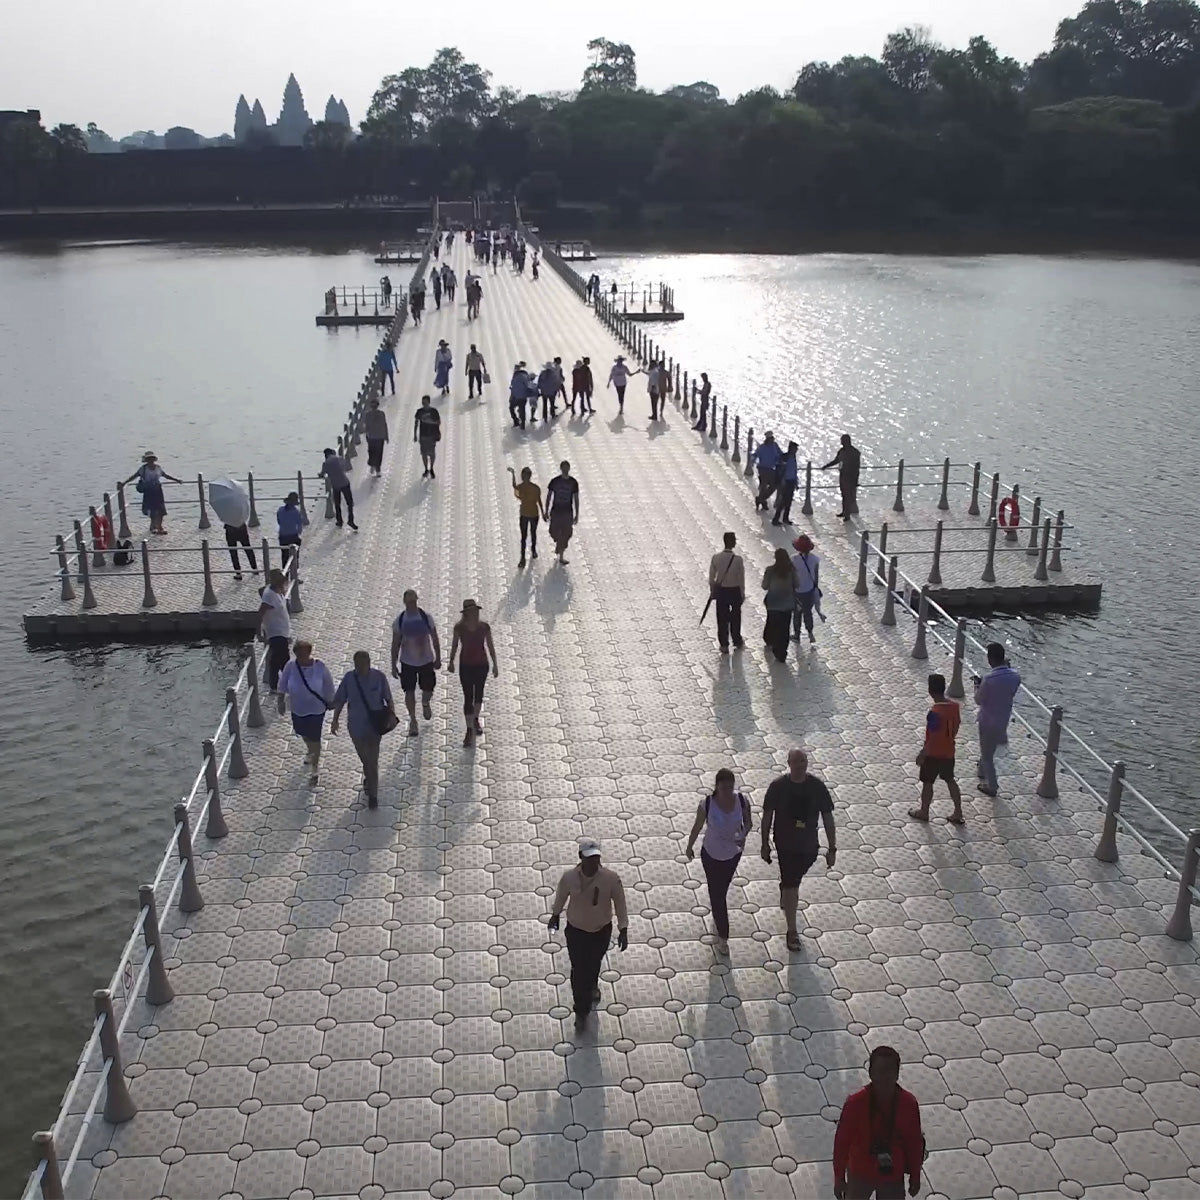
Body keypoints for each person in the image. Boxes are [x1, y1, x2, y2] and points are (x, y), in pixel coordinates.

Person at [547, 841, 629, 1031]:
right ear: (581, 858)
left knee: (593, 964)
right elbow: (560, 896)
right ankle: (581, 1011)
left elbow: (620, 904)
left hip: (601, 931)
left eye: (596, 858)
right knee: (578, 969)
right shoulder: (569, 878)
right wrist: (555, 915)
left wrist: (623, 928)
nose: (593, 863)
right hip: (576, 931)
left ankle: (592, 984)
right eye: (589, 858)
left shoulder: (610, 878)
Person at [761, 749, 836, 952]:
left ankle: (786, 890)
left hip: (808, 846)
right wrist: (764, 843)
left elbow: (828, 817)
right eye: (797, 761)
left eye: (803, 761)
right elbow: (767, 815)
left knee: (793, 880)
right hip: (786, 844)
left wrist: (832, 847)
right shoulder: (778, 787)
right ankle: (792, 931)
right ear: (789, 763)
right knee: (792, 884)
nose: (801, 765)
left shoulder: (817, 787)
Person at [833, 1046, 925, 1200]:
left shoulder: (908, 1104)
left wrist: (915, 1176)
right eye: (880, 1071)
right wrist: (839, 1178)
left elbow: (914, 1143)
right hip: (860, 1171)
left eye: (889, 1071)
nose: (885, 1077)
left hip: (893, 1172)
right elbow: (842, 1143)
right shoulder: (855, 1103)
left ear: (897, 1074)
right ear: (870, 1073)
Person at [685, 769, 752, 956]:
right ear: (717, 787)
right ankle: (723, 937)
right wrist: (689, 846)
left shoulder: (742, 801)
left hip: (733, 855)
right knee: (717, 895)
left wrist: (743, 834)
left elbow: (749, 822)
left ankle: (718, 917)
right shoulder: (707, 804)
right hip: (711, 855)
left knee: (721, 890)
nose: (727, 791)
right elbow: (697, 826)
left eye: (730, 787)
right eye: (723, 788)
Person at [330, 650, 397, 808]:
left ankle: (373, 795)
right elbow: (340, 700)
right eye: (357, 665)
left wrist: (392, 715)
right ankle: (369, 775)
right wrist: (335, 720)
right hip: (356, 726)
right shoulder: (349, 678)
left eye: (362, 664)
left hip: (374, 727)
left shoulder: (379, 677)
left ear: (369, 663)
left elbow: (388, 698)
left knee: (372, 761)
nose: (359, 668)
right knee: (365, 759)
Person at [278, 639, 334, 785]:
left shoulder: (319, 666)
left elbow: (328, 684)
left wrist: (332, 700)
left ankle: (315, 769)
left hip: (316, 709)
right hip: (298, 708)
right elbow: (283, 683)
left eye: (304, 654)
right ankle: (310, 750)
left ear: (309, 652)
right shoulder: (290, 666)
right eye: (299, 655)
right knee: (302, 732)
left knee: (315, 738)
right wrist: (280, 701)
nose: (301, 657)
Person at [910, 673, 964, 825]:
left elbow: (933, 738)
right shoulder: (955, 707)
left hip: (933, 755)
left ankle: (924, 811)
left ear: (929, 690)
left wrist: (923, 753)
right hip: (949, 752)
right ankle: (958, 811)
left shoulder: (934, 713)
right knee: (950, 780)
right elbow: (956, 726)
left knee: (928, 783)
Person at [446, 600, 499, 747]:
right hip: (466, 666)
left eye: (476, 611)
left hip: (482, 665)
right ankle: (469, 728)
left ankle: (475, 718)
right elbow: (455, 645)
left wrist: (495, 664)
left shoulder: (484, 627)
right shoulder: (459, 627)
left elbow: (490, 645)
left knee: (479, 695)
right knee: (468, 696)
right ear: (466, 614)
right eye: (473, 611)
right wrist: (451, 661)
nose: (475, 613)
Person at [390, 589, 441, 737]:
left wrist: (438, 657)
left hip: (426, 661)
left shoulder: (426, 618)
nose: (412, 604)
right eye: (409, 601)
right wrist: (393, 664)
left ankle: (425, 703)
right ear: (404, 602)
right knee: (409, 691)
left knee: (428, 689)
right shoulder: (400, 621)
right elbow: (395, 644)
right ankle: (413, 720)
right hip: (408, 662)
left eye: (414, 601)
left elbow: (435, 638)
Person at [973, 644, 1021, 798]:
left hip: (987, 720)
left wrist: (977, 686)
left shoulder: (989, 679)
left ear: (990, 659)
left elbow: (978, 700)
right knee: (989, 748)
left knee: (987, 755)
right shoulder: (1015, 676)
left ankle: (992, 786)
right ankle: (981, 769)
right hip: (1003, 718)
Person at [125, 452, 181, 536]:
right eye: (149, 459)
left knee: (161, 509)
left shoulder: (158, 468)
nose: (150, 460)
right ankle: (153, 526)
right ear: (146, 460)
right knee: (151, 509)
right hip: (148, 491)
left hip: (157, 490)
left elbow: (165, 475)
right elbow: (134, 476)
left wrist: (177, 480)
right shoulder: (143, 469)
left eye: (152, 458)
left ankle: (159, 527)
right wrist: (124, 483)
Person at [257, 568, 291, 698]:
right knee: (281, 661)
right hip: (276, 633)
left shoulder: (276, 592)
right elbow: (260, 613)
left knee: (279, 660)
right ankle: (279, 685)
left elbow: (261, 590)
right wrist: (259, 632)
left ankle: (279, 685)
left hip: (282, 632)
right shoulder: (270, 596)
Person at [709, 532, 745, 654]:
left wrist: (712, 589)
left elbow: (711, 577)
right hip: (734, 590)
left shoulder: (716, 557)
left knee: (722, 618)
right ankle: (737, 639)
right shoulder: (738, 560)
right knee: (736, 617)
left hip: (722, 591)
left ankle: (724, 644)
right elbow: (741, 578)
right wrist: (742, 593)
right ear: (733, 542)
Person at [762, 548, 797, 663]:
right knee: (785, 628)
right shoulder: (791, 570)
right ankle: (782, 652)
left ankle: (774, 646)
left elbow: (764, 586)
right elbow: (797, 584)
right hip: (787, 604)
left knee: (774, 625)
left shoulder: (770, 570)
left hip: (773, 603)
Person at [508, 466, 544, 568]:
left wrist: (543, 512)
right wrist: (513, 474)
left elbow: (539, 501)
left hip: (533, 514)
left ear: (529, 476)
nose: (524, 477)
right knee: (523, 536)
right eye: (523, 476)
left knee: (533, 533)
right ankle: (522, 558)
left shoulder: (535, 488)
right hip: (524, 514)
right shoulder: (523, 487)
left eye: (526, 475)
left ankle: (533, 550)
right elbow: (514, 486)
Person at [546, 461, 579, 566]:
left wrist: (577, 513)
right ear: (561, 468)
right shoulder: (554, 481)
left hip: (567, 512)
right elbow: (549, 496)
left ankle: (561, 556)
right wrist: (546, 510)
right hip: (556, 511)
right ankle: (558, 544)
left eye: (567, 468)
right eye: (563, 468)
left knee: (567, 533)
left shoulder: (573, 482)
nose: (565, 470)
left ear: (569, 468)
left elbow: (576, 498)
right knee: (553, 531)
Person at [823, 434, 862, 520]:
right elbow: (836, 460)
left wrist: (856, 480)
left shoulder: (855, 452)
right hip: (843, 476)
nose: (841, 442)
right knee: (844, 495)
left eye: (842, 441)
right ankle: (844, 511)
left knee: (848, 496)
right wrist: (826, 466)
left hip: (850, 477)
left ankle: (847, 515)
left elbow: (857, 467)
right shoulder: (841, 451)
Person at [791, 534, 821, 644]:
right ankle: (810, 632)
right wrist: (815, 589)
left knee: (797, 614)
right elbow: (816, 576)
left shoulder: (794, 559)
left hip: (798, 592)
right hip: (809, 591)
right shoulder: (815, 559)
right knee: (808, 612)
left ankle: (797, 635)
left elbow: (792, 576)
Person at [318, 448, 356, 531]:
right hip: (345, 482)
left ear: (325, 455)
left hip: (336, 485)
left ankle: (339, 521)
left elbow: (322, 474)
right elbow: (346, 467)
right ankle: (351, 520)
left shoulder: (326, 463)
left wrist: (321, 474)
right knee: (349, 503)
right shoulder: (339, 458)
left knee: (337, 504)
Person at [753, 432, 784, 512]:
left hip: (771, 469)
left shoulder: (775, 445)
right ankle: (762, 501)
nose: (772, 440)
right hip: (763, 469)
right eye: (771, 438)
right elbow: (755, 454)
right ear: (767, 439)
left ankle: (761, 499)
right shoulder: (762, 447)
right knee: (766, 486)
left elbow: (780, 454)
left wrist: (783, 460)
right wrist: (752, 461)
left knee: (771, 486)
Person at [276, 491, 304, 575]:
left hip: (282, 536)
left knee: (284, 557)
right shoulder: (296, 512)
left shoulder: (280, 510)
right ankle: (294, 575)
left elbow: (279, 521)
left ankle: (285, 575)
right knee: (295, 557)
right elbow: (299, 525)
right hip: (293, 536)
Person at [414, 395, 441, 479]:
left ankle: (431, 467)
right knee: (424, 453)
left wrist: (429, 421)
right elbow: (416, 423)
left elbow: (438, 422)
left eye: (425, 402)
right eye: (423, 402)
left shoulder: (434, 411)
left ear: (428, 402)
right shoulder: (419, 411)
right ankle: (426, 469)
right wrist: (415, 434)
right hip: (423, 435)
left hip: (432, 435)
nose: (424, 404)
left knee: (432, 453)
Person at [773, 442, 800, 526]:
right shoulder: (784, 457)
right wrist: (782, 480)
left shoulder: (793, 457)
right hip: (785, 481)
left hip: (791, 481)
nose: (796, 450)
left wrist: (796, 482)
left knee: (788, 501)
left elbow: (794, 470)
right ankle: (775, 519)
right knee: (782, 502)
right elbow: (780, 468)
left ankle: (785, 518)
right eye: (795, 448)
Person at [364, 398, 389, 477]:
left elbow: (384, 424)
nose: (374, 407)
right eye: (372, 405)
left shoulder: (381, 414)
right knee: (371, 452)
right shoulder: (368, 414)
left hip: (379, 436)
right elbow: (366, 426)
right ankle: (372, 464)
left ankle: (378, 469)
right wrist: (366, 435)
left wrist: (386, 435)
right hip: (371, 436)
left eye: (375, 405)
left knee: (379, 453)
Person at [509, 363, 529, 429]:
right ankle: (522, 424)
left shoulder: (515, 376)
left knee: (511, 408)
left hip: (515, 396)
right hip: (523, 396)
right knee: (522, 409)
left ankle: (516, 421)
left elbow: (512, 385)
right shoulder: (525, 375)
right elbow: (527, 385)